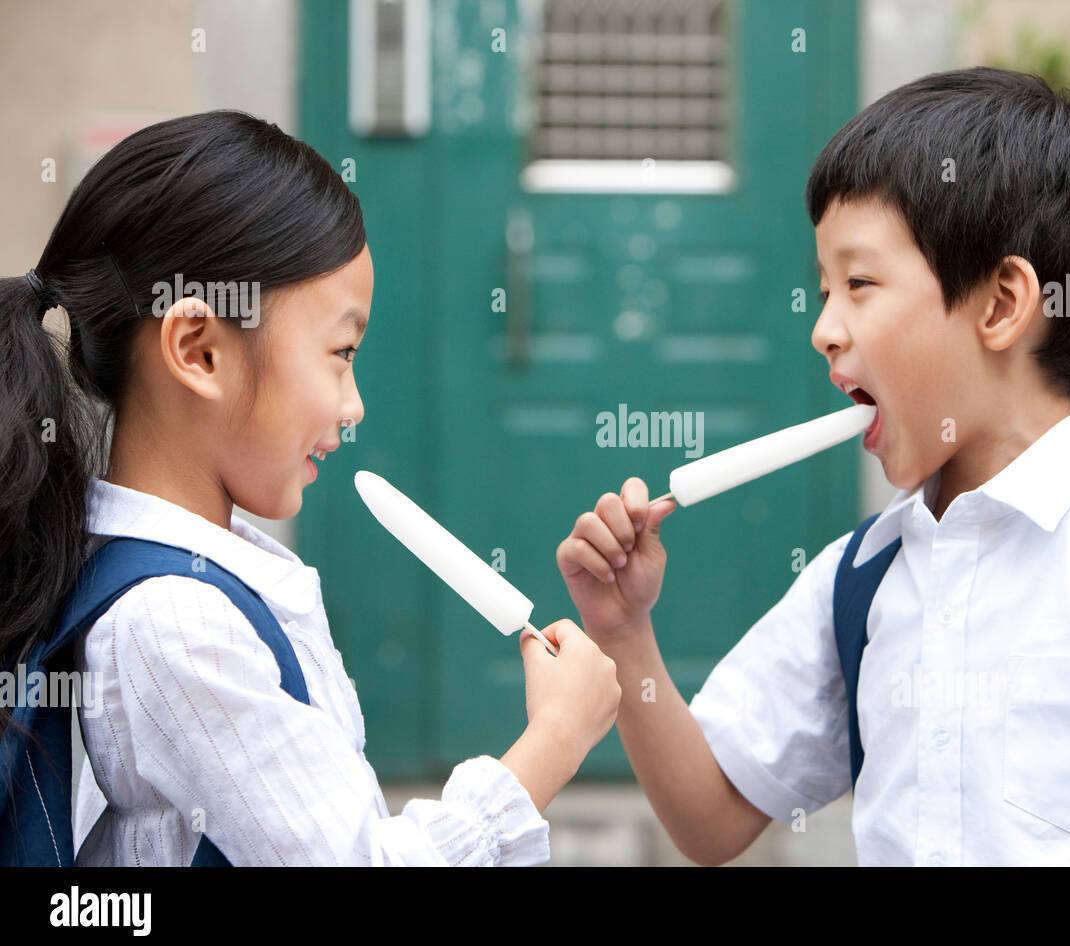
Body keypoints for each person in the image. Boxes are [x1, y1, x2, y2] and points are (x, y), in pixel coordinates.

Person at [556, 67, 1070, 866]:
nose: (825, 330)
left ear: (1002, 303)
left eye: (859, 284)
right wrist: (623, 630)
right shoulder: (859, 576)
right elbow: (711, 819)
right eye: (823, 289)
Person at [0, 110, 619, 866]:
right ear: (198, 350)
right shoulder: (176, 620)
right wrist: (553, 741)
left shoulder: (198, 579)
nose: (353, 404)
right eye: (339, 352)